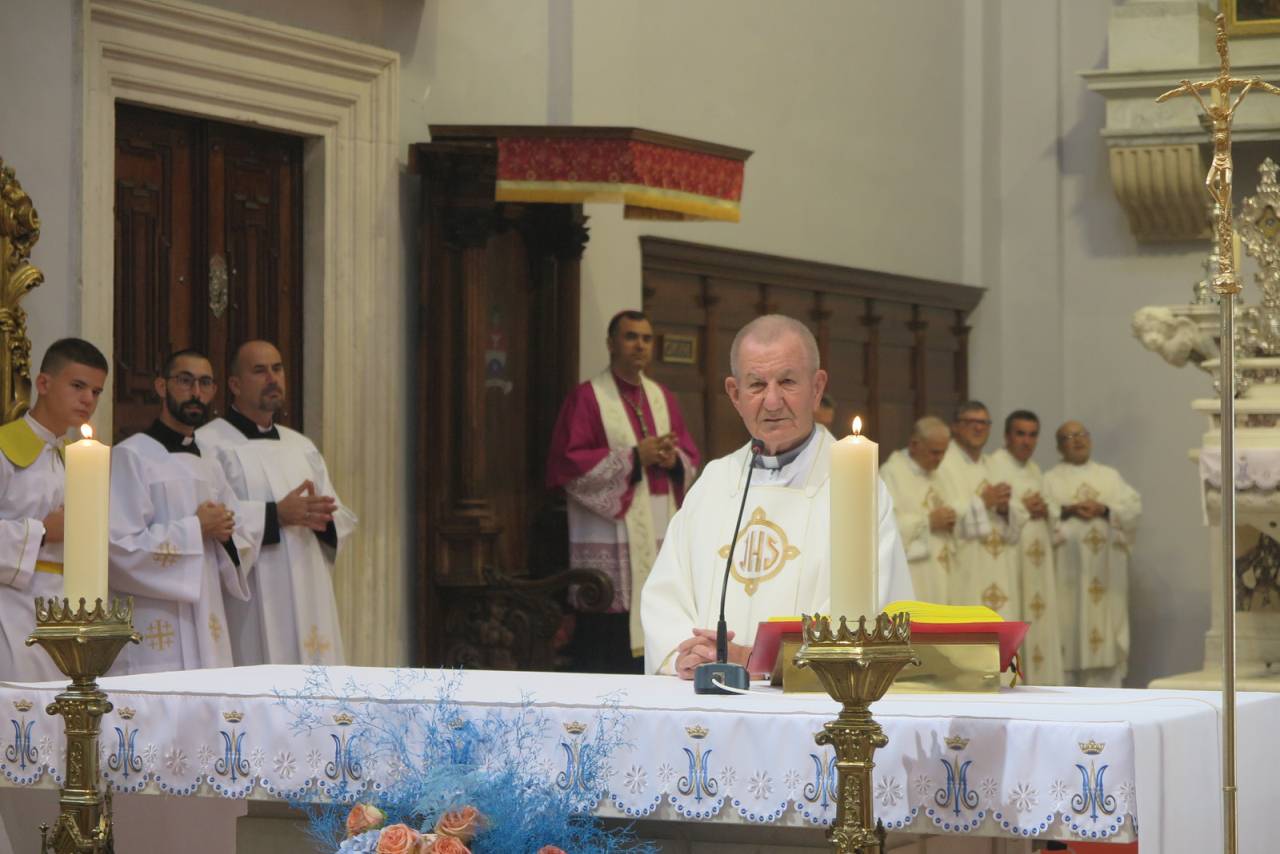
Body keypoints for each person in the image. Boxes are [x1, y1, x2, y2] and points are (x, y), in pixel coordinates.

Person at [640, 314, 912, 678]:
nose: (771, 401)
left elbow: (868, 610)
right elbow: (665, 596)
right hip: (709, 705)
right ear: (734, 395)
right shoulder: (715, 482)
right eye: (756, 385)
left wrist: (763, 661)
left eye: (787, 382)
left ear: (817, 388)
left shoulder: (856, 486)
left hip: (809, 711)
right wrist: (684, 656)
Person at [546, 310, 701, 672]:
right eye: (631, 337)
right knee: (610, 628)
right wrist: (633, 457)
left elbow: (690, 455)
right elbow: (569, 464)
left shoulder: (662, 397)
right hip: (611, 528)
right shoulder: (587, 398)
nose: (640, 345)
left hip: (659, 518)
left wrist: (671, 458)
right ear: (611, 343)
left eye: (647, 339)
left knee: (657, 605)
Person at [196, 340, 356, 665]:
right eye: (260, 370)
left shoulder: (301, 446)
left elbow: (339, 516)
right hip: (253, 597)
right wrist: (274, 515)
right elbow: (210, 520)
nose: (272, 378)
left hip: (309, 587)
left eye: (277, 369)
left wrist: (324, 520)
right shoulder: (209, 443)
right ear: (235, 385)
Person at [108, 349, 261, 674]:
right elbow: (117, 547)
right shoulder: (132, 456)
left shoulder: (210, 463)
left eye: (205, 383)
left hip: (208, 619)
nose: (196, 393)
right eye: (185, 381)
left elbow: (241, 537)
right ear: (162, 386)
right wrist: (195, 529)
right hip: (155, 624)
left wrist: (225, 534)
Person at [0, 339, 108, 681]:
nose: (88, 399)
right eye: (78, 386)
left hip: (68, 612)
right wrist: (44, 532)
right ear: (44, 384)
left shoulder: (77, 460)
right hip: (12, 611)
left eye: (96, 391)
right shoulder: (5, 450)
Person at [1043, 420, 1141, 687]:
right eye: (1068, 437)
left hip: (1105, 574)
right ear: (1058, 446)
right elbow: (1041, 518)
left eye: (1082, 435)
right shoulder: (1050, 480)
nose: (1077, 440)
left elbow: (1133, 509)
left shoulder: (1109, 476)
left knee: (1106, 638)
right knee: (1067, 634)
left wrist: (1105, 509)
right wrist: (1068, 510)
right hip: (1067, 575)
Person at [987, 410, 1064, 684]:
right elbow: (997, 511)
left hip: (1038, 563)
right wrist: (1023, 507)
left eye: (1032, 435)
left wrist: (1045, 509)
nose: (1026, 441)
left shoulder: (1034, 469)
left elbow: (1052, 506)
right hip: (1012, 558)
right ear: (1007, 436)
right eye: (1020, 434)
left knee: (1039, 620)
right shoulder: (994, 464)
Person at [938, 401, 1024, 618]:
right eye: (971, 422)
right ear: (955, 427)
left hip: (999, 567)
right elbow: (943, 516)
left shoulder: (993, 465)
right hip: (965, 567)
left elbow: (1015, 524)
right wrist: (982, 503)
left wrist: (1004, 509)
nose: (979, 428)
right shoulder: (943, 464)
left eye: (984, 423)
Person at [880, 416, 959, 605]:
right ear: (915, 444)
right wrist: (928, 522)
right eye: (934, 452)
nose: (940, 459)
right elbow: (886, 526)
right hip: (915, 573)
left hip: (942, 570)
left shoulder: (940, 475)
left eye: (944, 452)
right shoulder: (892, 473)